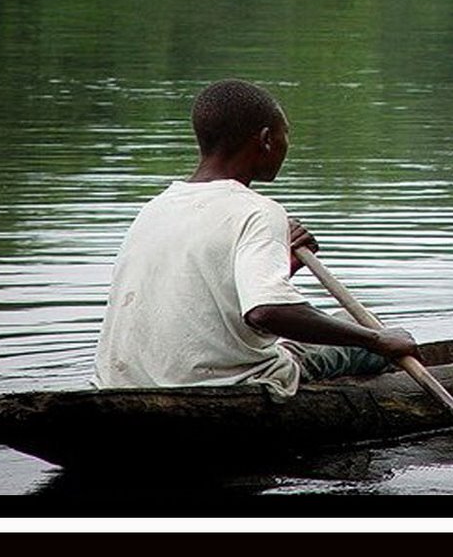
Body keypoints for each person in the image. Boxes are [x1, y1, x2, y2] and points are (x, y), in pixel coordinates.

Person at [93, 79, 419, 397]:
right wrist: (377, 341)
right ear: (265, 139)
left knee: (351, 331)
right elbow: (266, 312)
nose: (286, 145)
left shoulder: (156, 207)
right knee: (365, 329)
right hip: (227, 386)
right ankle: (385, 396)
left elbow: (198, 295)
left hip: (119, 382)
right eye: (285, 134)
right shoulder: (259, 211)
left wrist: (282, 265)